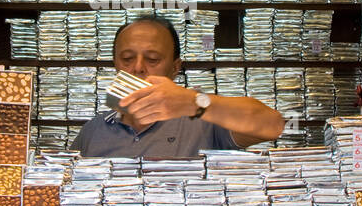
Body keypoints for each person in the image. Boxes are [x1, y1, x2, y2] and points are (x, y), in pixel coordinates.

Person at [71, 15, 284, 158]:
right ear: (115, 65)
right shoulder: (93, 131)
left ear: (175, 68)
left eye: (152, 59)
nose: (137, 68)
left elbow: (273, 124)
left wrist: (193, 103)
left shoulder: (202, 122)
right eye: (127, 58)